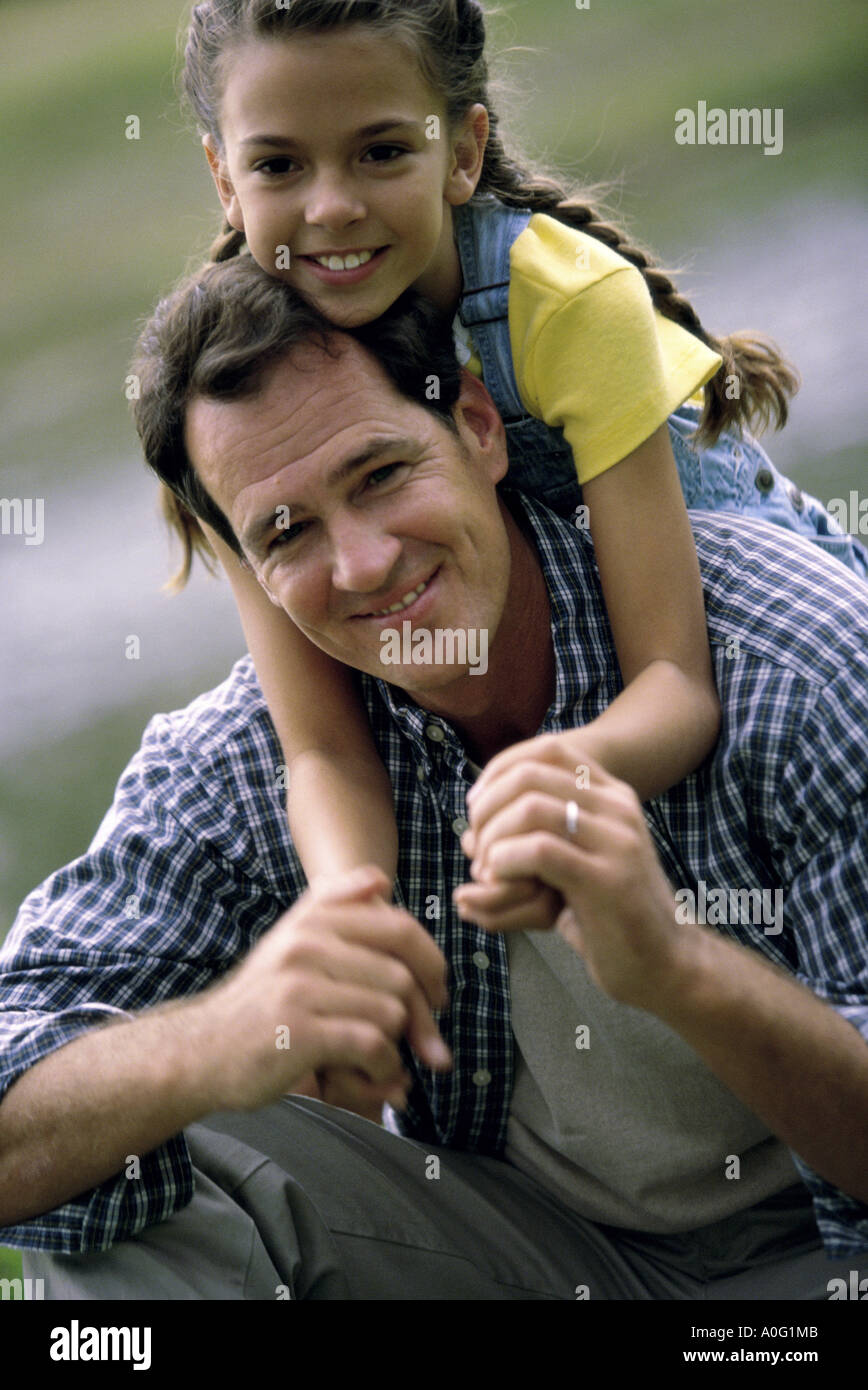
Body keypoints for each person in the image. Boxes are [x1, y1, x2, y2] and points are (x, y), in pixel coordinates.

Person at [1, 261, 866, 1300]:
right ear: (250, 575)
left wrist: (674, 965)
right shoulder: (241, 764)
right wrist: (226, 1036)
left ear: (476, 424)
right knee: (133, 1151)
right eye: (287, 531)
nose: (363, 563)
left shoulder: (792, 655)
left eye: (378, 474)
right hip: (540, 1260)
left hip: (819, 1263)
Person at [163, 0, 868, 915]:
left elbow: (675, 687)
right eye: (278, 165)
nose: (331, 208)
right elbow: (323, 751)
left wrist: (544, 785)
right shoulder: (225, 401)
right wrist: (349, 910)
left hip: (739, 635)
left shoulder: (568, 308)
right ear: (225, 177)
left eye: (380, 152)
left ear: (462, 153)